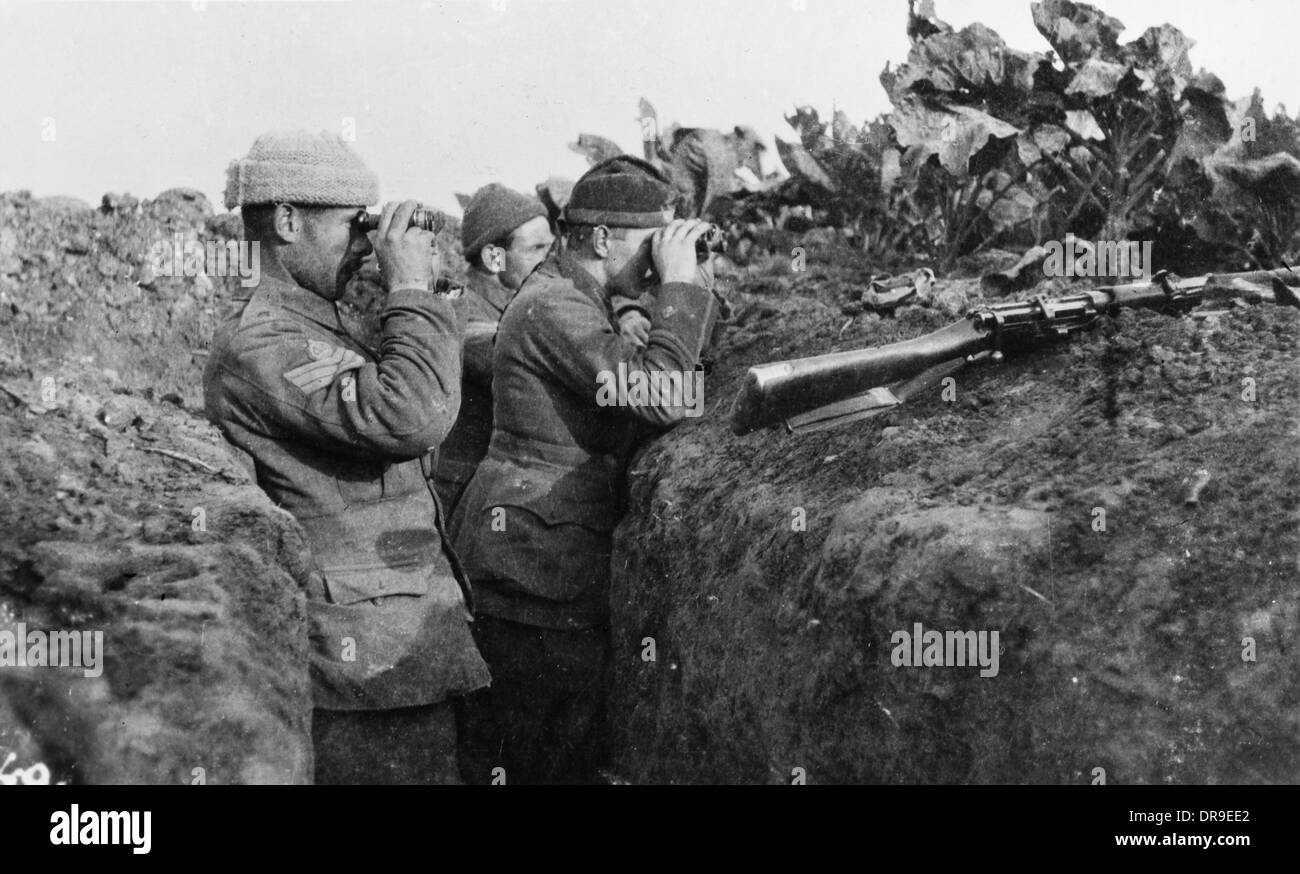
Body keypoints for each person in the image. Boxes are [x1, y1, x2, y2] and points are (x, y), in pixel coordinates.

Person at [203, 130, 488, 784]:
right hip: (364, 669)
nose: (367, 246)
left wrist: (420, 287)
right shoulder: (263, 345)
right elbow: (411, 416)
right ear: (285, 220)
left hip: (405, 645)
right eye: (353, 226)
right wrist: (410, 287)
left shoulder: (320, 322)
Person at [450, 156, 717, 784]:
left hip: (549, 566)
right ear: (602, 240)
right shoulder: (555, 308)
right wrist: (678, 286)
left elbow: (682, 365)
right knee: (536, 760)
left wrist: (692, 281)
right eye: (650, 241)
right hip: (530, 575)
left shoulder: (583, 296)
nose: (658, 256)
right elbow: (666, 393)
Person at [432, 184, 552, 515]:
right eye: (537, 249)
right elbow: (503, 359)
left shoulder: (521, 303)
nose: (550, 260)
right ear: (493, 258)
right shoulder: (462, 308)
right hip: (467, 495)